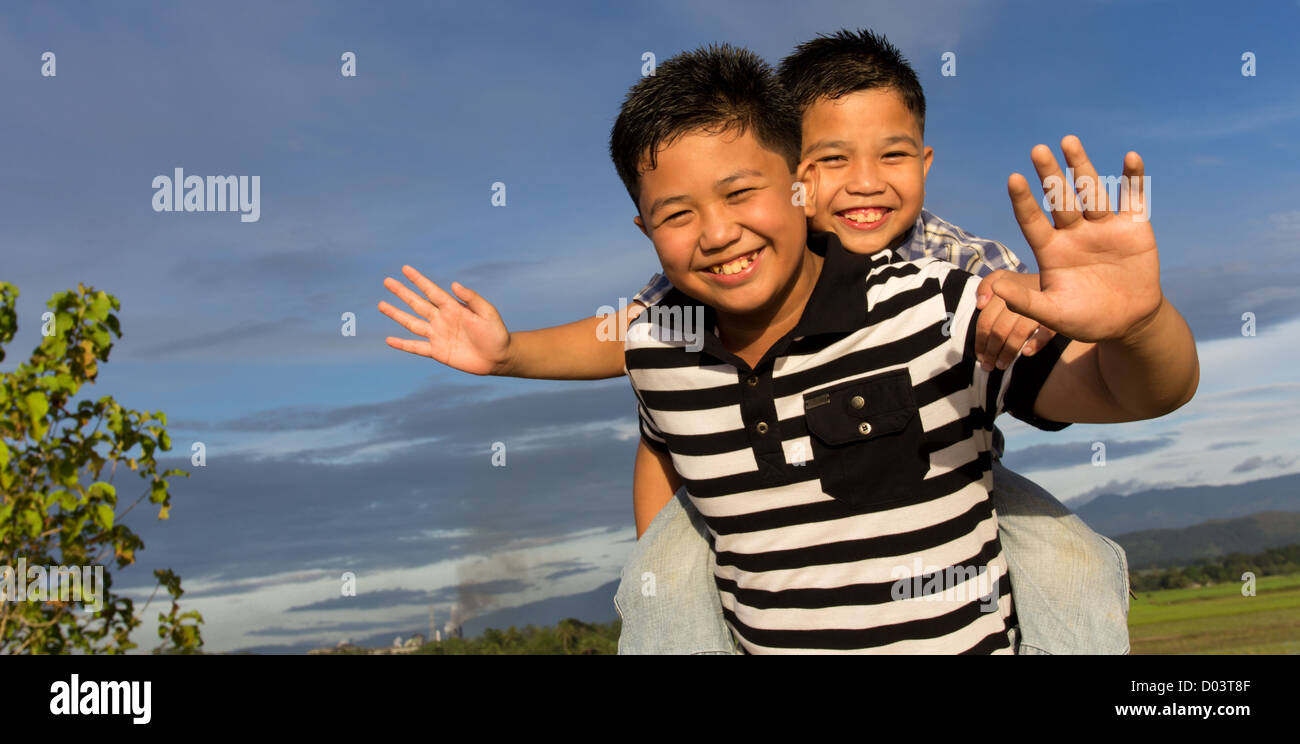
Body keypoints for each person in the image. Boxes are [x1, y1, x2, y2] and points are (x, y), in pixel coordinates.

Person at [378, 33, 1165, 653]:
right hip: (765, 511)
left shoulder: (949, 276)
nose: (861, 184)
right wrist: (511, 352)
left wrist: (1128, 321)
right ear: (805, 176)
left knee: (1070, 562)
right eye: (832, 159)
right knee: (667, 572)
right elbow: (630, 346)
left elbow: (1116, 381)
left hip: (959, 470)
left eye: (891, 155)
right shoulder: (686, 312)